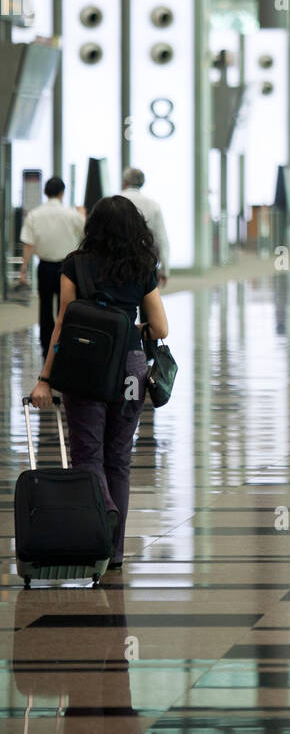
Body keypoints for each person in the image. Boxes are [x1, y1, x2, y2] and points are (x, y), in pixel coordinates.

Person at [28, 195, 169, 569]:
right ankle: (116, 550)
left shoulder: (75, 264)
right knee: (119, 460)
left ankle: (102, 513)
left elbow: (62, 323)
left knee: (88, 454)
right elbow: (160, 328)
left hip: (85, 366)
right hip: (130, 367)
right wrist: (133, 327)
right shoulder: (142, 266)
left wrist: (45, 379)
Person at [17, 176, 85, 359]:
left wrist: (23, 269)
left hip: (45, 266)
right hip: (68, 268)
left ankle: (46, 345)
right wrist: (83, 213)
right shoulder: (71, 214)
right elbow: (86, 230)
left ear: (46, 192)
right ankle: (64, 343)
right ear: (62, 192)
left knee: (45, 307)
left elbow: (29, 244)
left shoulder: (34, 214)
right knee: (66, 308)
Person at [120, 168, 170, 286]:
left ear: (124, 182)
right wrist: (165, 270)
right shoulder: (153, 205)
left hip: (116, 261)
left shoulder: (112, 201)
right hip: (144, 261)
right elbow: (161, 238)